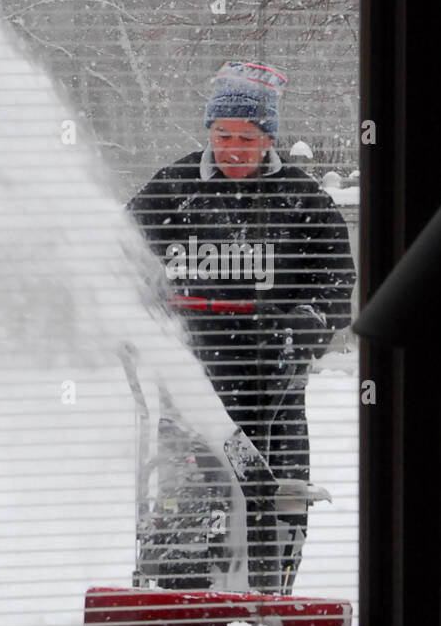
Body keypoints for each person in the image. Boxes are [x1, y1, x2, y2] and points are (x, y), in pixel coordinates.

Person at [126, 60, 356, 593]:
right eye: (222, 135)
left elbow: (335, 281)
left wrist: (306, 322)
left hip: (274, 386)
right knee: (184, 503)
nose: (232, 148)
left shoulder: (302, 200)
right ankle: (180, 601)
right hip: (190, 382)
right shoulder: (172, 190)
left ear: (269, 138)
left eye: (246, 138)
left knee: (275, 503)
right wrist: (136, 316)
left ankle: (269, 599)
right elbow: (121, 256)